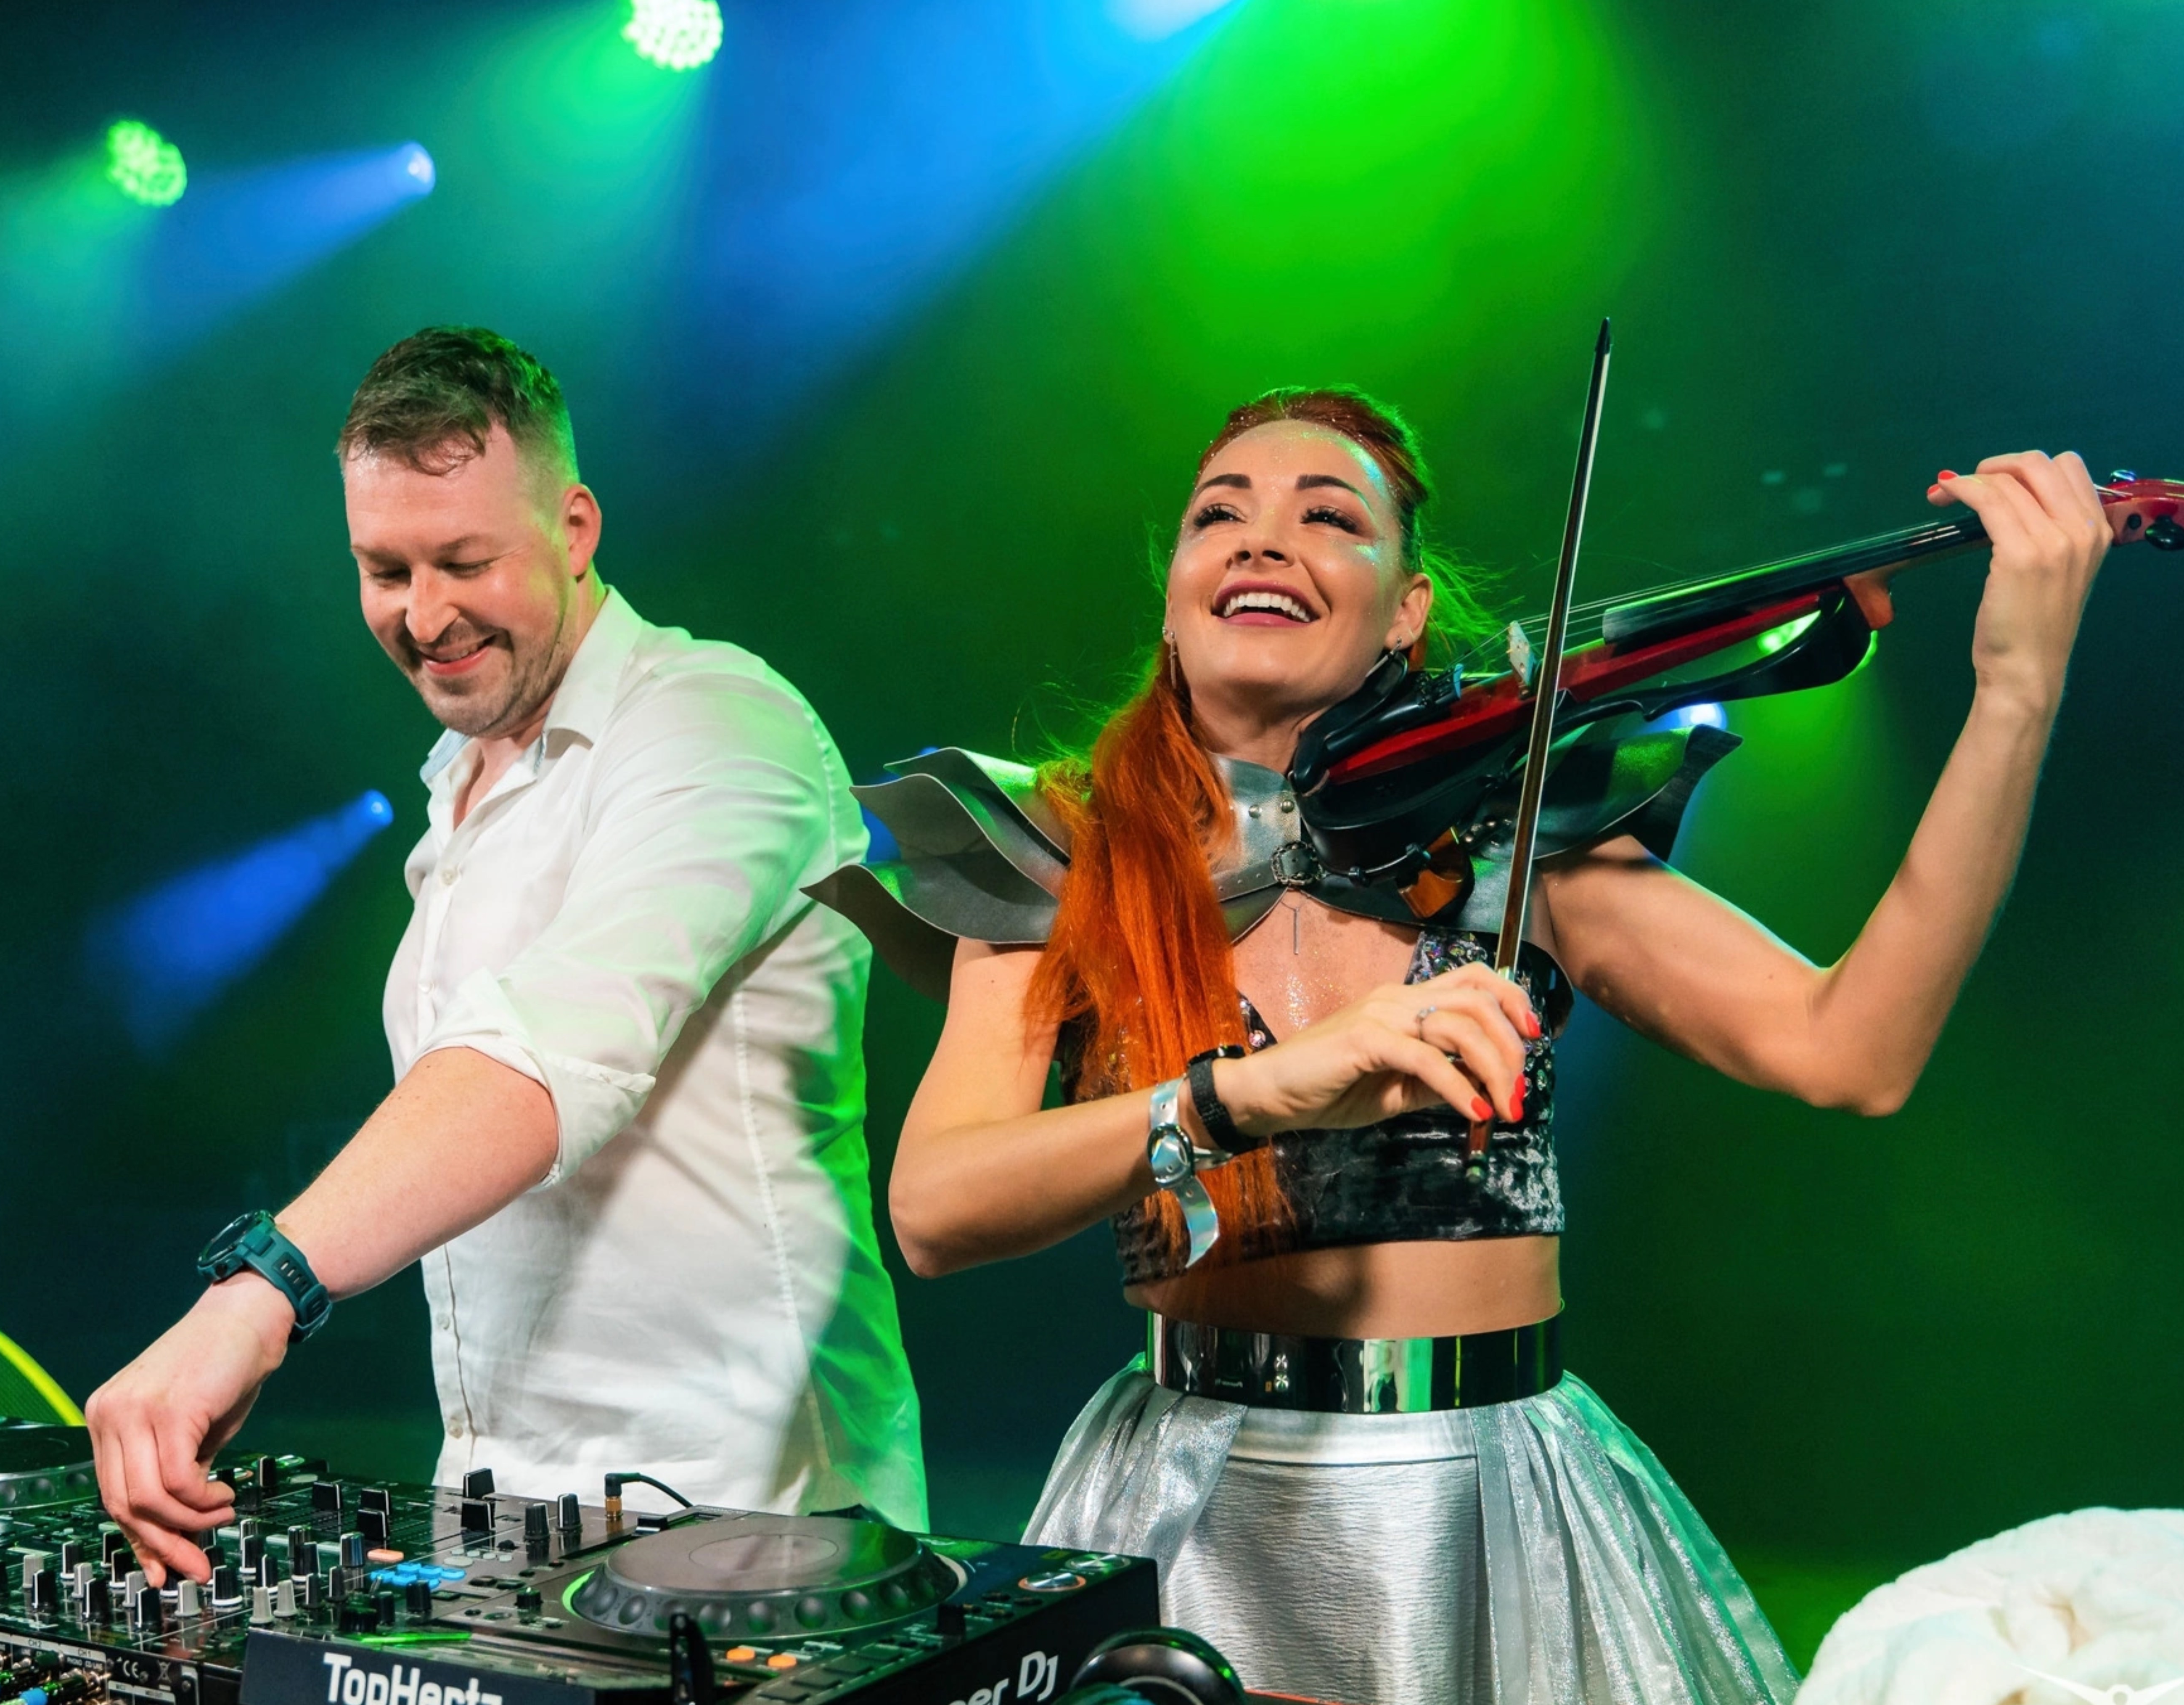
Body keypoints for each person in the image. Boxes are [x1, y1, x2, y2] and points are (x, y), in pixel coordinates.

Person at [813, 386, 2110, 1702]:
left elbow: (1854, 1052)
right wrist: (1238, 1097)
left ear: (1409, 609)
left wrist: (2016, 693)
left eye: (1330, 518)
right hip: (1192, 1498)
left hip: (1489, 1500)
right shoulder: (1065, 849)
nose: (1263, 538)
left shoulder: (1511, 833)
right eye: (1221, 516)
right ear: (1174, 600)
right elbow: (936, 1210)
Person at [87, 327, 924, 1585]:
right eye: (385, 570)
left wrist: (262, 1291)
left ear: (575, 529)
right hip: (510, 1526)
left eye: (465, 562)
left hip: (758, 1527)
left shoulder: (718, 720)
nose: (424, 616)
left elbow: (552, 1047)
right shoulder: (461, 782)